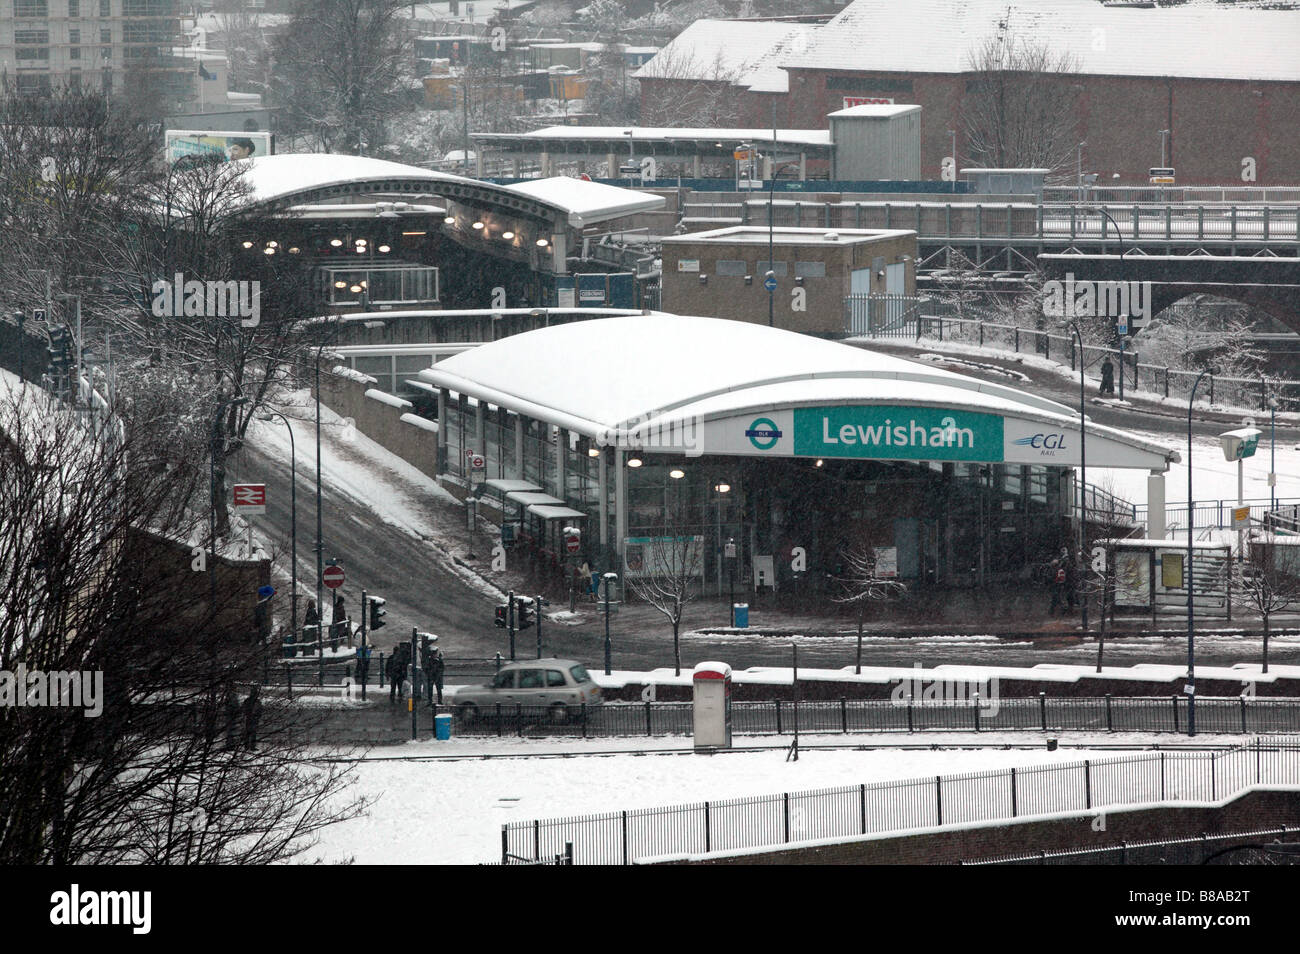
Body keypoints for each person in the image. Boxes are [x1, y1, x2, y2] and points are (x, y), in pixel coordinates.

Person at [241, 684, 262, 751]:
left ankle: (247, 746)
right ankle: (250, 746)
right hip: (252, 718)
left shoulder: (248, 700)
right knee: (252, 733)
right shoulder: (256, 701)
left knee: (249, 733)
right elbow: (260, 710)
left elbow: (243, 709)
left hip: (250, 718)